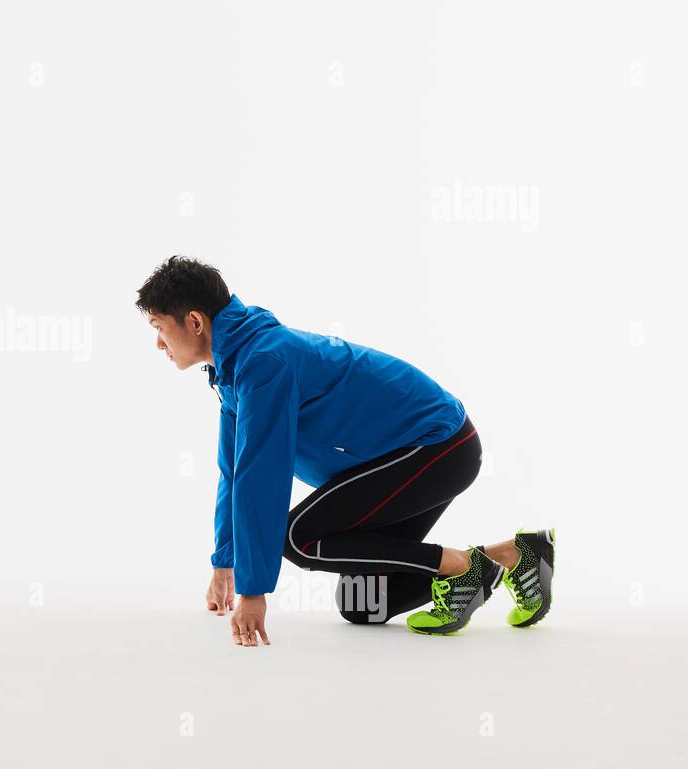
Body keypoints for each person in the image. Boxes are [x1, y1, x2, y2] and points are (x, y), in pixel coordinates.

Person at [136, 255, 555, 647]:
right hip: (407, 456)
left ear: (194, 321)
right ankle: (513, 555)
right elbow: (233, 471)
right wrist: (224, 561)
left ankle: (465, 570)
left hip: (438, 447)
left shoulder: (265, 362)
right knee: (363, 603)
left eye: (158, 326)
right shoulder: (232, 372)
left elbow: (260, 479)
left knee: (296, 539)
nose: (158, 344)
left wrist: (252, 591)